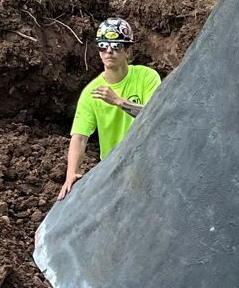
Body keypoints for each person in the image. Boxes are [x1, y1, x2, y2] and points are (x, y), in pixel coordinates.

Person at [57, 17, 162, 202]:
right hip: (113, 168)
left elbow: (157, 116)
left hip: (148, 161)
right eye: (103, 46)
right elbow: (80, 138)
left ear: (128, 50)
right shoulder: (92, 92)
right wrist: (72, 173)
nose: (109, 51)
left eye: (116, 46)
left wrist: (119, 102)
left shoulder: (147, 77)